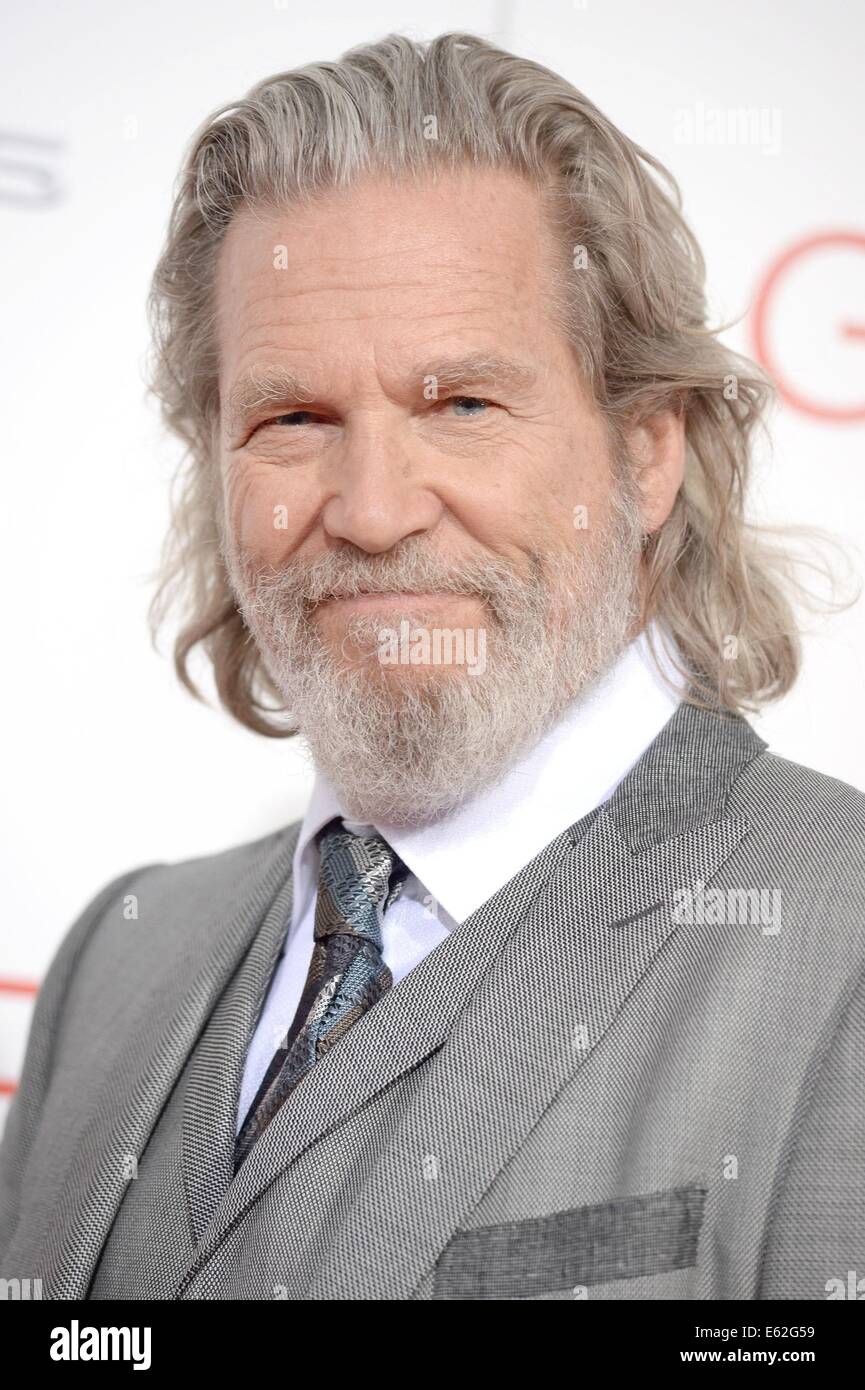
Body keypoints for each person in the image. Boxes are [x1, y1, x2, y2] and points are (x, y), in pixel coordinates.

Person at [1, 31, 862, 1301]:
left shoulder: (839, 939)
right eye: (294, 417)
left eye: (461, 405)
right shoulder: (116, 965)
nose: (371, 509)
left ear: (645, 450)